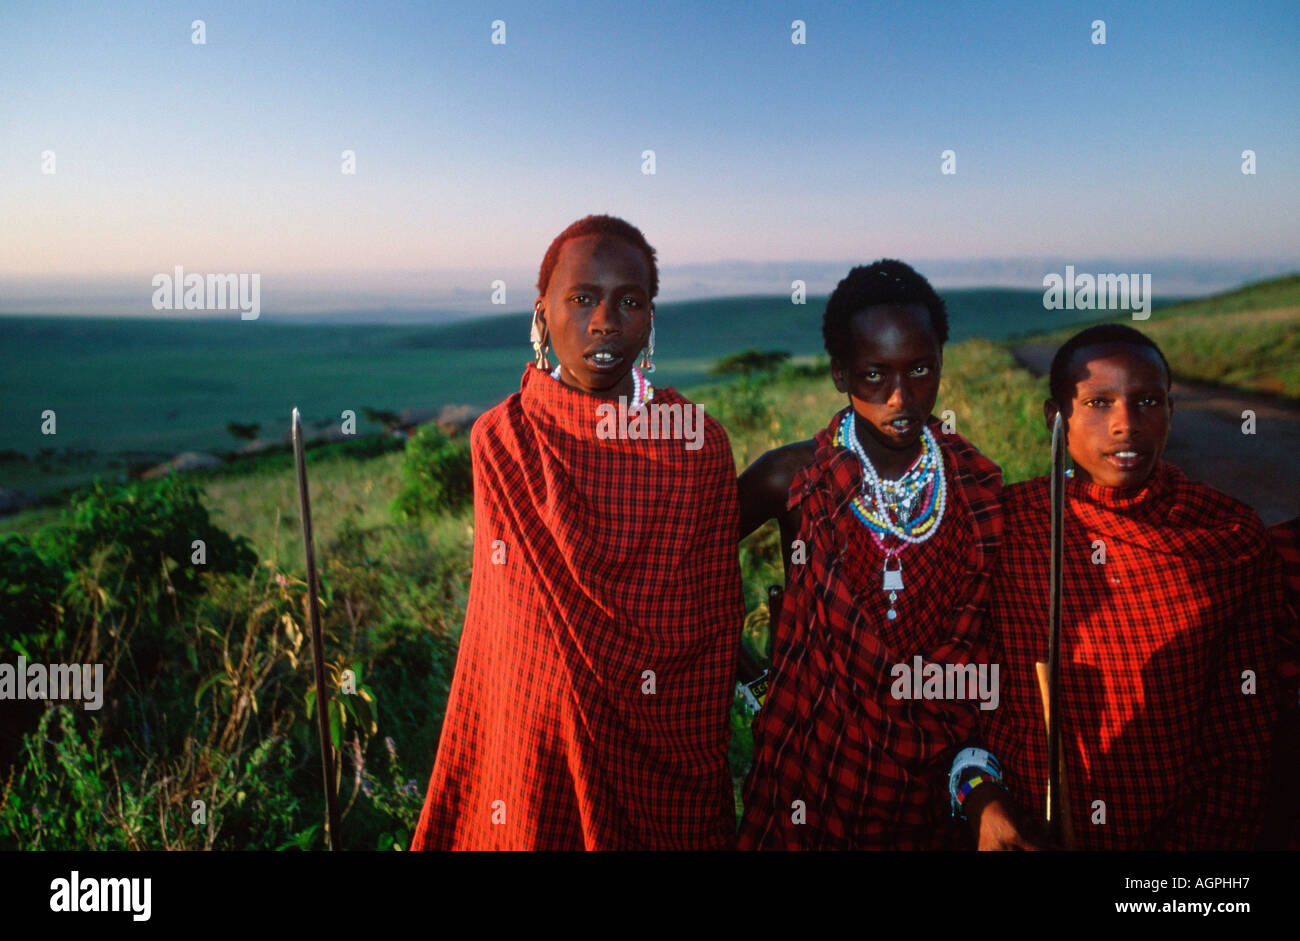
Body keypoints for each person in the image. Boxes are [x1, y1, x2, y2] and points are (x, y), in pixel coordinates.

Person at [411, 215, 744, 850]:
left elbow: (711, 622)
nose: (604, 321)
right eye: (582, 298)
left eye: (629, 301)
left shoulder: (696, 443)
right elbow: (503, 631)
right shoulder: (503, 441)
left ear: (650, 320)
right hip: (534, 757)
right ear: (542, 315)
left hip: (662, 758)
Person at [965, 324, 1291, 850]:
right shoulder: (1009, 526)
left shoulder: (1227, 535)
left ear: (1169, 412)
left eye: (1147, 401)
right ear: (1056, 419)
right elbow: (962, 702)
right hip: (1027, 828)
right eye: (1098, 402)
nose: (1125, 425)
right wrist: (982, 801)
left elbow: (1243, 728)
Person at [736, 260, 1005, 850]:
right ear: (840, 373)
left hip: (933, 780)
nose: (902, 396)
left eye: (920, 370)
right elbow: (687, 565)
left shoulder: (975, 485)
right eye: (875, 374)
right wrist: (753, 669)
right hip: (809, 765)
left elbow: (986, 647)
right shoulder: (793, 476)